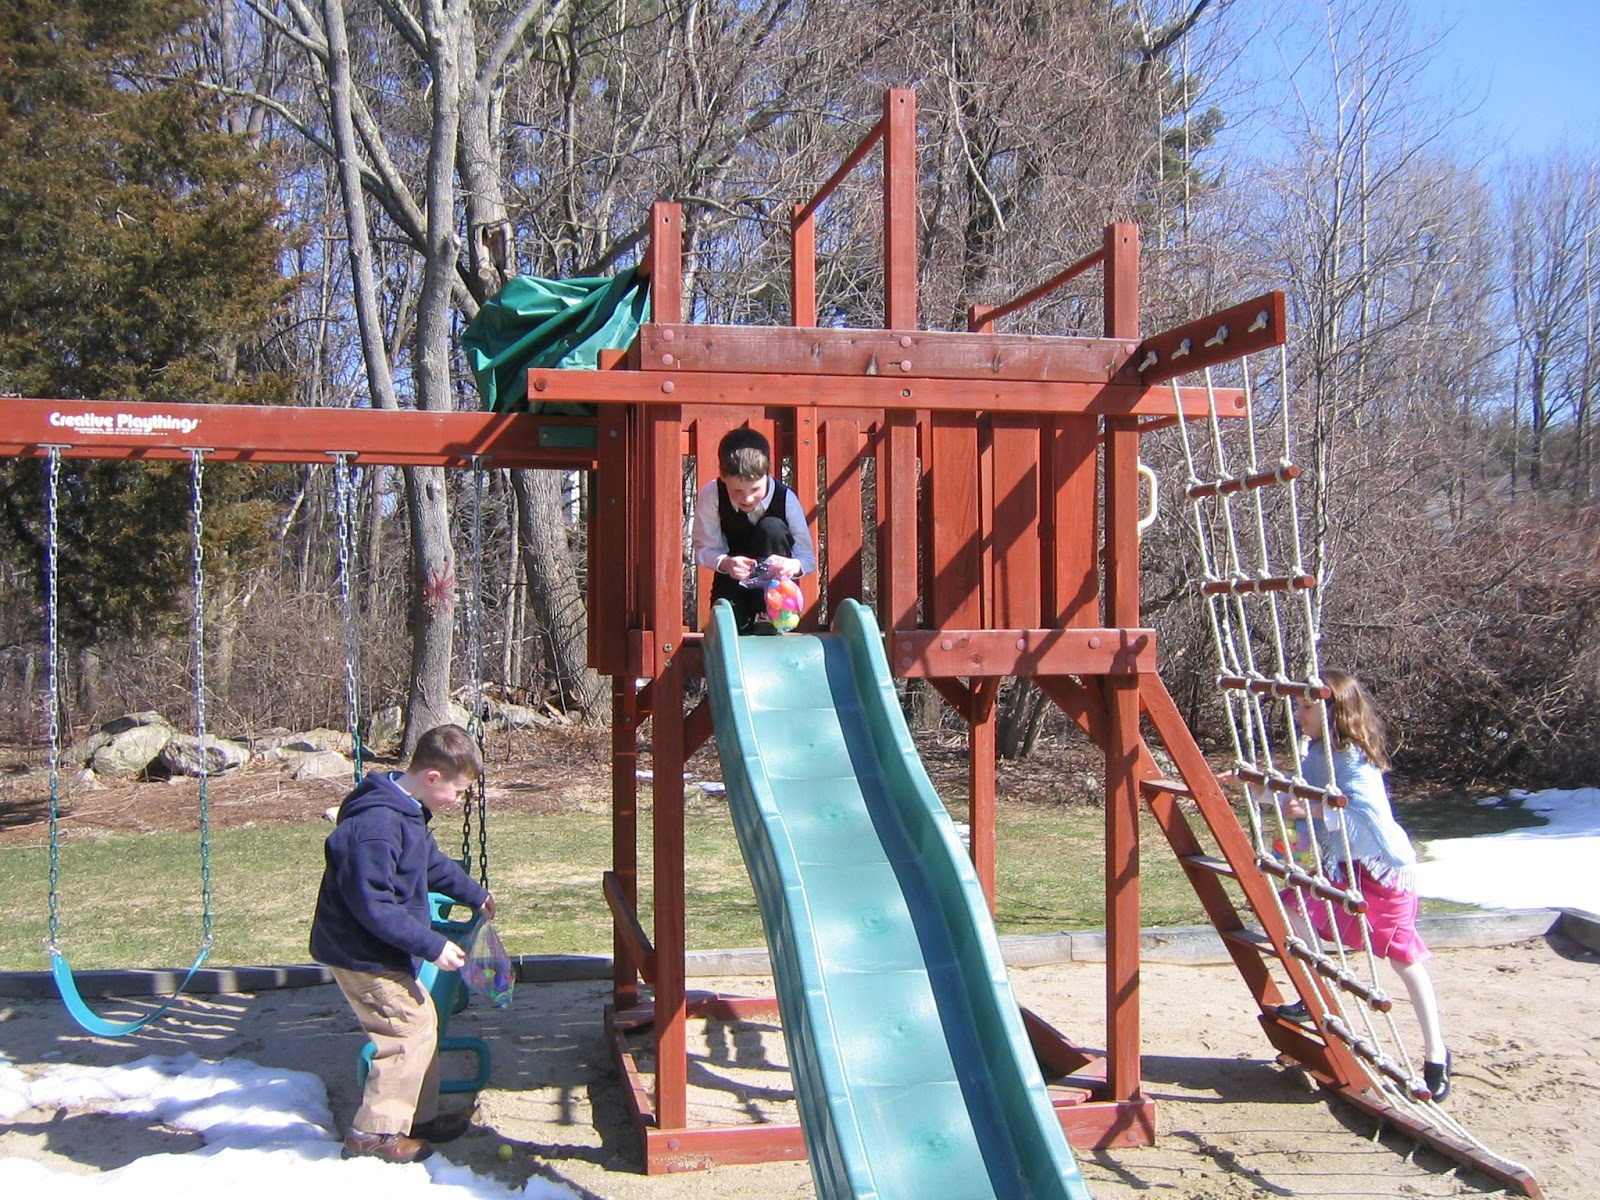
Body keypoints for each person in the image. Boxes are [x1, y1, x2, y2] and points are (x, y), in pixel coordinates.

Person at [310, 724, 495, 1162]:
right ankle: (371, 1134)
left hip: (379, 947)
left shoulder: (406, 810)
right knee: (405, 1031)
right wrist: (432, 945)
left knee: (421, 1021)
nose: (456, 800)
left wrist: (476, 894)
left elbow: (431, 864)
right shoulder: (376, 825)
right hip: (360, 952)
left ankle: (413, 1117)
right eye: (457, 790)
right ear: (433, 777)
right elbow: (373, 907)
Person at [1275, 670, 1451, 1102]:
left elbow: (1364, 821)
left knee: (1403, 958)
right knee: (1293, 903)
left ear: (1331, 709)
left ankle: (1437, 1055)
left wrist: (1314, 812)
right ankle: (1315, 992)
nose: (1299, 715)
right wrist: (1263, 788)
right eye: (1299, 706)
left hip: (1382, 870)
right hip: (1346, 872)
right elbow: (1305, 796)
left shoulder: (1352, 758)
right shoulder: (1317, 753)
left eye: (1306, 707)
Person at [690, 427, 816, 634]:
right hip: (733, 580)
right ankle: (738, 616)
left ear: (768, 474)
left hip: (775, 596)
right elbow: (704, 549)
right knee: (729, 629)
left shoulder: (786, 499)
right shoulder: (712, 495)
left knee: (772, 527)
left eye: (755, 489)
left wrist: (792, 565)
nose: (747, 498)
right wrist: (726, 563)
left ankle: (766, 615)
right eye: (737, 491)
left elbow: (807, 558)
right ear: (722, 477)